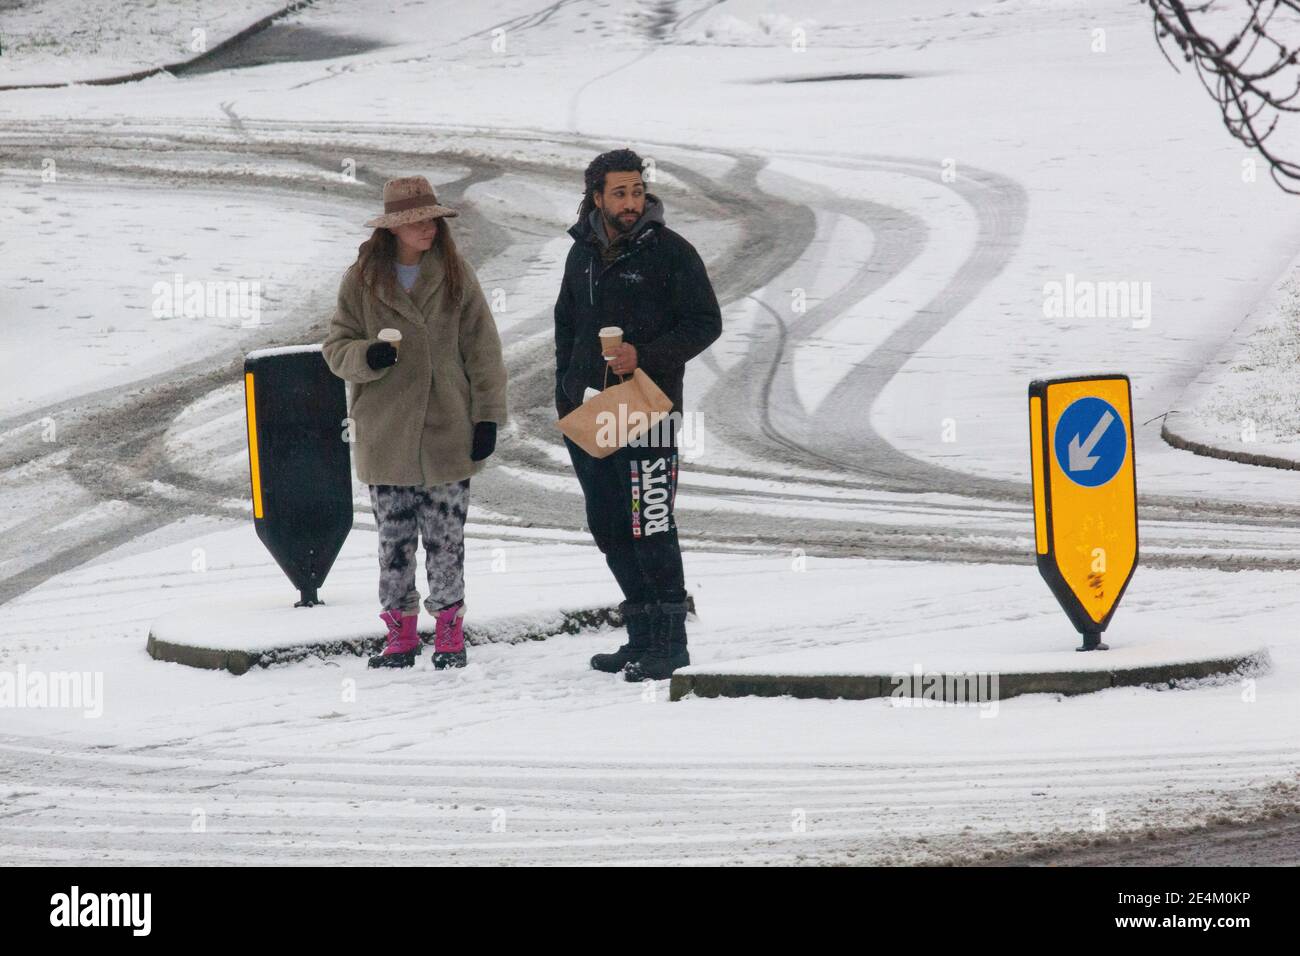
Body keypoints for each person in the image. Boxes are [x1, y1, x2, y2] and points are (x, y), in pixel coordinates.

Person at [323, 176, 508, 669]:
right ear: (394, 228)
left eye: (431, 219)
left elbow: (484, 351)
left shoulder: (455, 273)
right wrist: (369, 354)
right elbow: (335, 349)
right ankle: (400, 637)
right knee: (393, 543)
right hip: (384, 436)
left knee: (447, 539)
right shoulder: (361, 280)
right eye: (417, 221)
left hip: (449, 432)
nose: (428, 228)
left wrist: (487, 416)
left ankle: (449, 635)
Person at [553, 148, 722, 681]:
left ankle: (671, 645)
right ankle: (641, 635)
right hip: (590, 410)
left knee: (650, 522)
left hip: (649, 406)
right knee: (608, 525)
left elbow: (705, 323)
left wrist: (643, 356)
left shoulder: (671, 252)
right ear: (597, 197)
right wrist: (565, 386)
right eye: (619, 193)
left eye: (637, 191)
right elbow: (566, 324)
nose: (631, 202)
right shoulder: (580, 254)